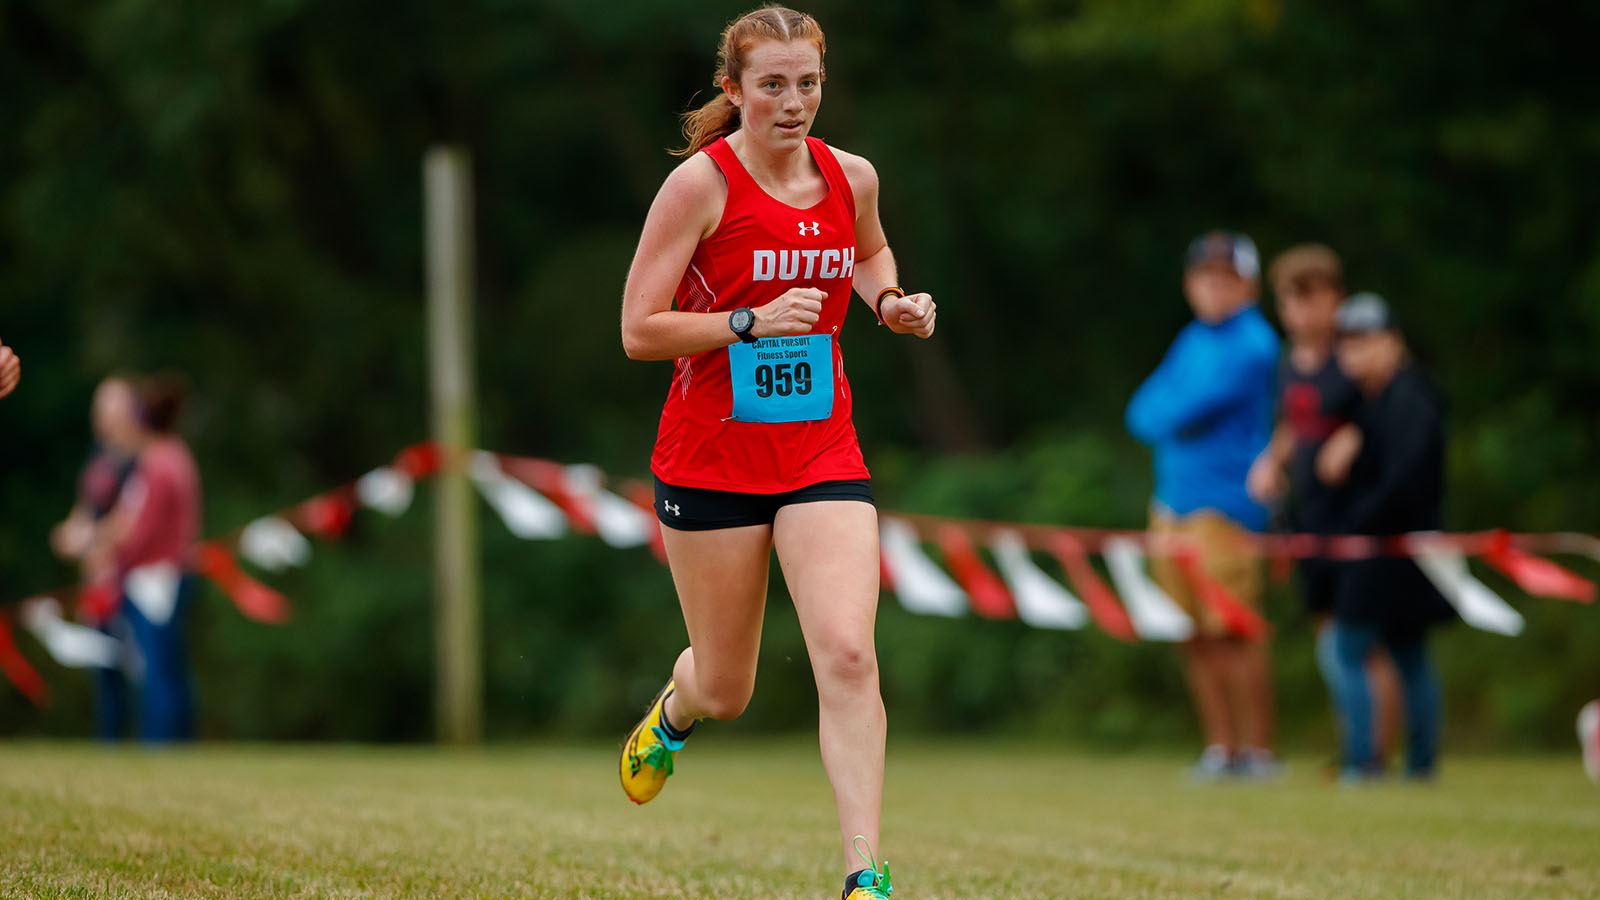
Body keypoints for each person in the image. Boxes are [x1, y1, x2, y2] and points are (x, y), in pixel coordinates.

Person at [616, 7, 935, 898]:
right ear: (734, 89)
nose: (794, 103)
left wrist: (890, 302)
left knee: (848, 653)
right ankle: (675, 713)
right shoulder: (698, 188)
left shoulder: (851, 176)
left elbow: (868, 252)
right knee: (728, 688)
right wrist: (746, 321)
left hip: (820, 453)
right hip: (710, 460)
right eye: (772, 86)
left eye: (808, 83)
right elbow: (638, 330)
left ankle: (865, 876)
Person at [1126, 231, 1282, 780]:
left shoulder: (1255, 343)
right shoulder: (1192, 339)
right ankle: (1221, 750)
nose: (1213, 287)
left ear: (1249, 286)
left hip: (1226, 509)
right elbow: (1141, 412)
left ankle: (1258, 752)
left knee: (1233, 629)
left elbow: (1181, 408)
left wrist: (1171, 413)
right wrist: (1168, 413)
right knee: (1187, 630)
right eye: (1204, 277)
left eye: (1226, 278)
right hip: (1171, 504)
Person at [1247, 245, 1401, 772]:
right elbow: (1293, 424)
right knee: (1329, 635)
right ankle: (1353, 743)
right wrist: (1271, 461)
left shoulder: (1353, 355)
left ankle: (1376, 753)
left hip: (1357, 516)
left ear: (1335, 298)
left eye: (1310, 299)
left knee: (1363, 640)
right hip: (1310, 516)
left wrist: (1356, 435)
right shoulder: (1290, 362)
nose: (1300, 312)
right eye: (1290, 301)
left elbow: (1392, 407)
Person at [1326, 293, 1454, 783]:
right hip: (1395, 544)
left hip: (1390, 545)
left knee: (1347, 647)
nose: (1354, 353)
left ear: (1393, 342)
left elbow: (1404, 482)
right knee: (1406, 652)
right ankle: (1419, 764)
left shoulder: (1409, 399)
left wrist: (1354, 527)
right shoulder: (1371, 401)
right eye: (1347, 344)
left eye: (1365, 341)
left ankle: (1363, 760)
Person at [87, 373, 203, 742]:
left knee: (155, 670)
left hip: (155, 577)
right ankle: (175, 742)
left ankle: (161, 743)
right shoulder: (176, 455)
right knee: (168, 666)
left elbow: (142, 529)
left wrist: (110, 560)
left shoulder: (158, 461)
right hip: (168, 573)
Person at [51, 376, 143, 740]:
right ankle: (111, 750)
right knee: (103, 670)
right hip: (96, 578)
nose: (101, 413)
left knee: (139, 667)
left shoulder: (139, 456)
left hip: (129, 578)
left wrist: (91, 539)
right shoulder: (98, 454)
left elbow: (132, 518)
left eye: (109, 404)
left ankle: (156, 748)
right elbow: (87, 509)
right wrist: (69, 533)